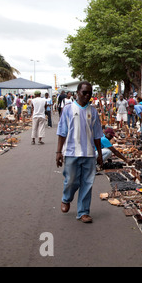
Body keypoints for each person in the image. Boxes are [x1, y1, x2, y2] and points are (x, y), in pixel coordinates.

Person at [56, 81, 103, 223]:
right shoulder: (68, 109)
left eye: (90, 93)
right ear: (77, 92)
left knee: (87, 183)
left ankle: (83, 212)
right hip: (71, 152)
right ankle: (66, 198)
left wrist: (99, 154)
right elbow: (62, 132)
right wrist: (58, 152)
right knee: (71, 180)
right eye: (84, 92)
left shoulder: (93, 111)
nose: (87, 95)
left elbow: (97, 135)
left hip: (89, 153)